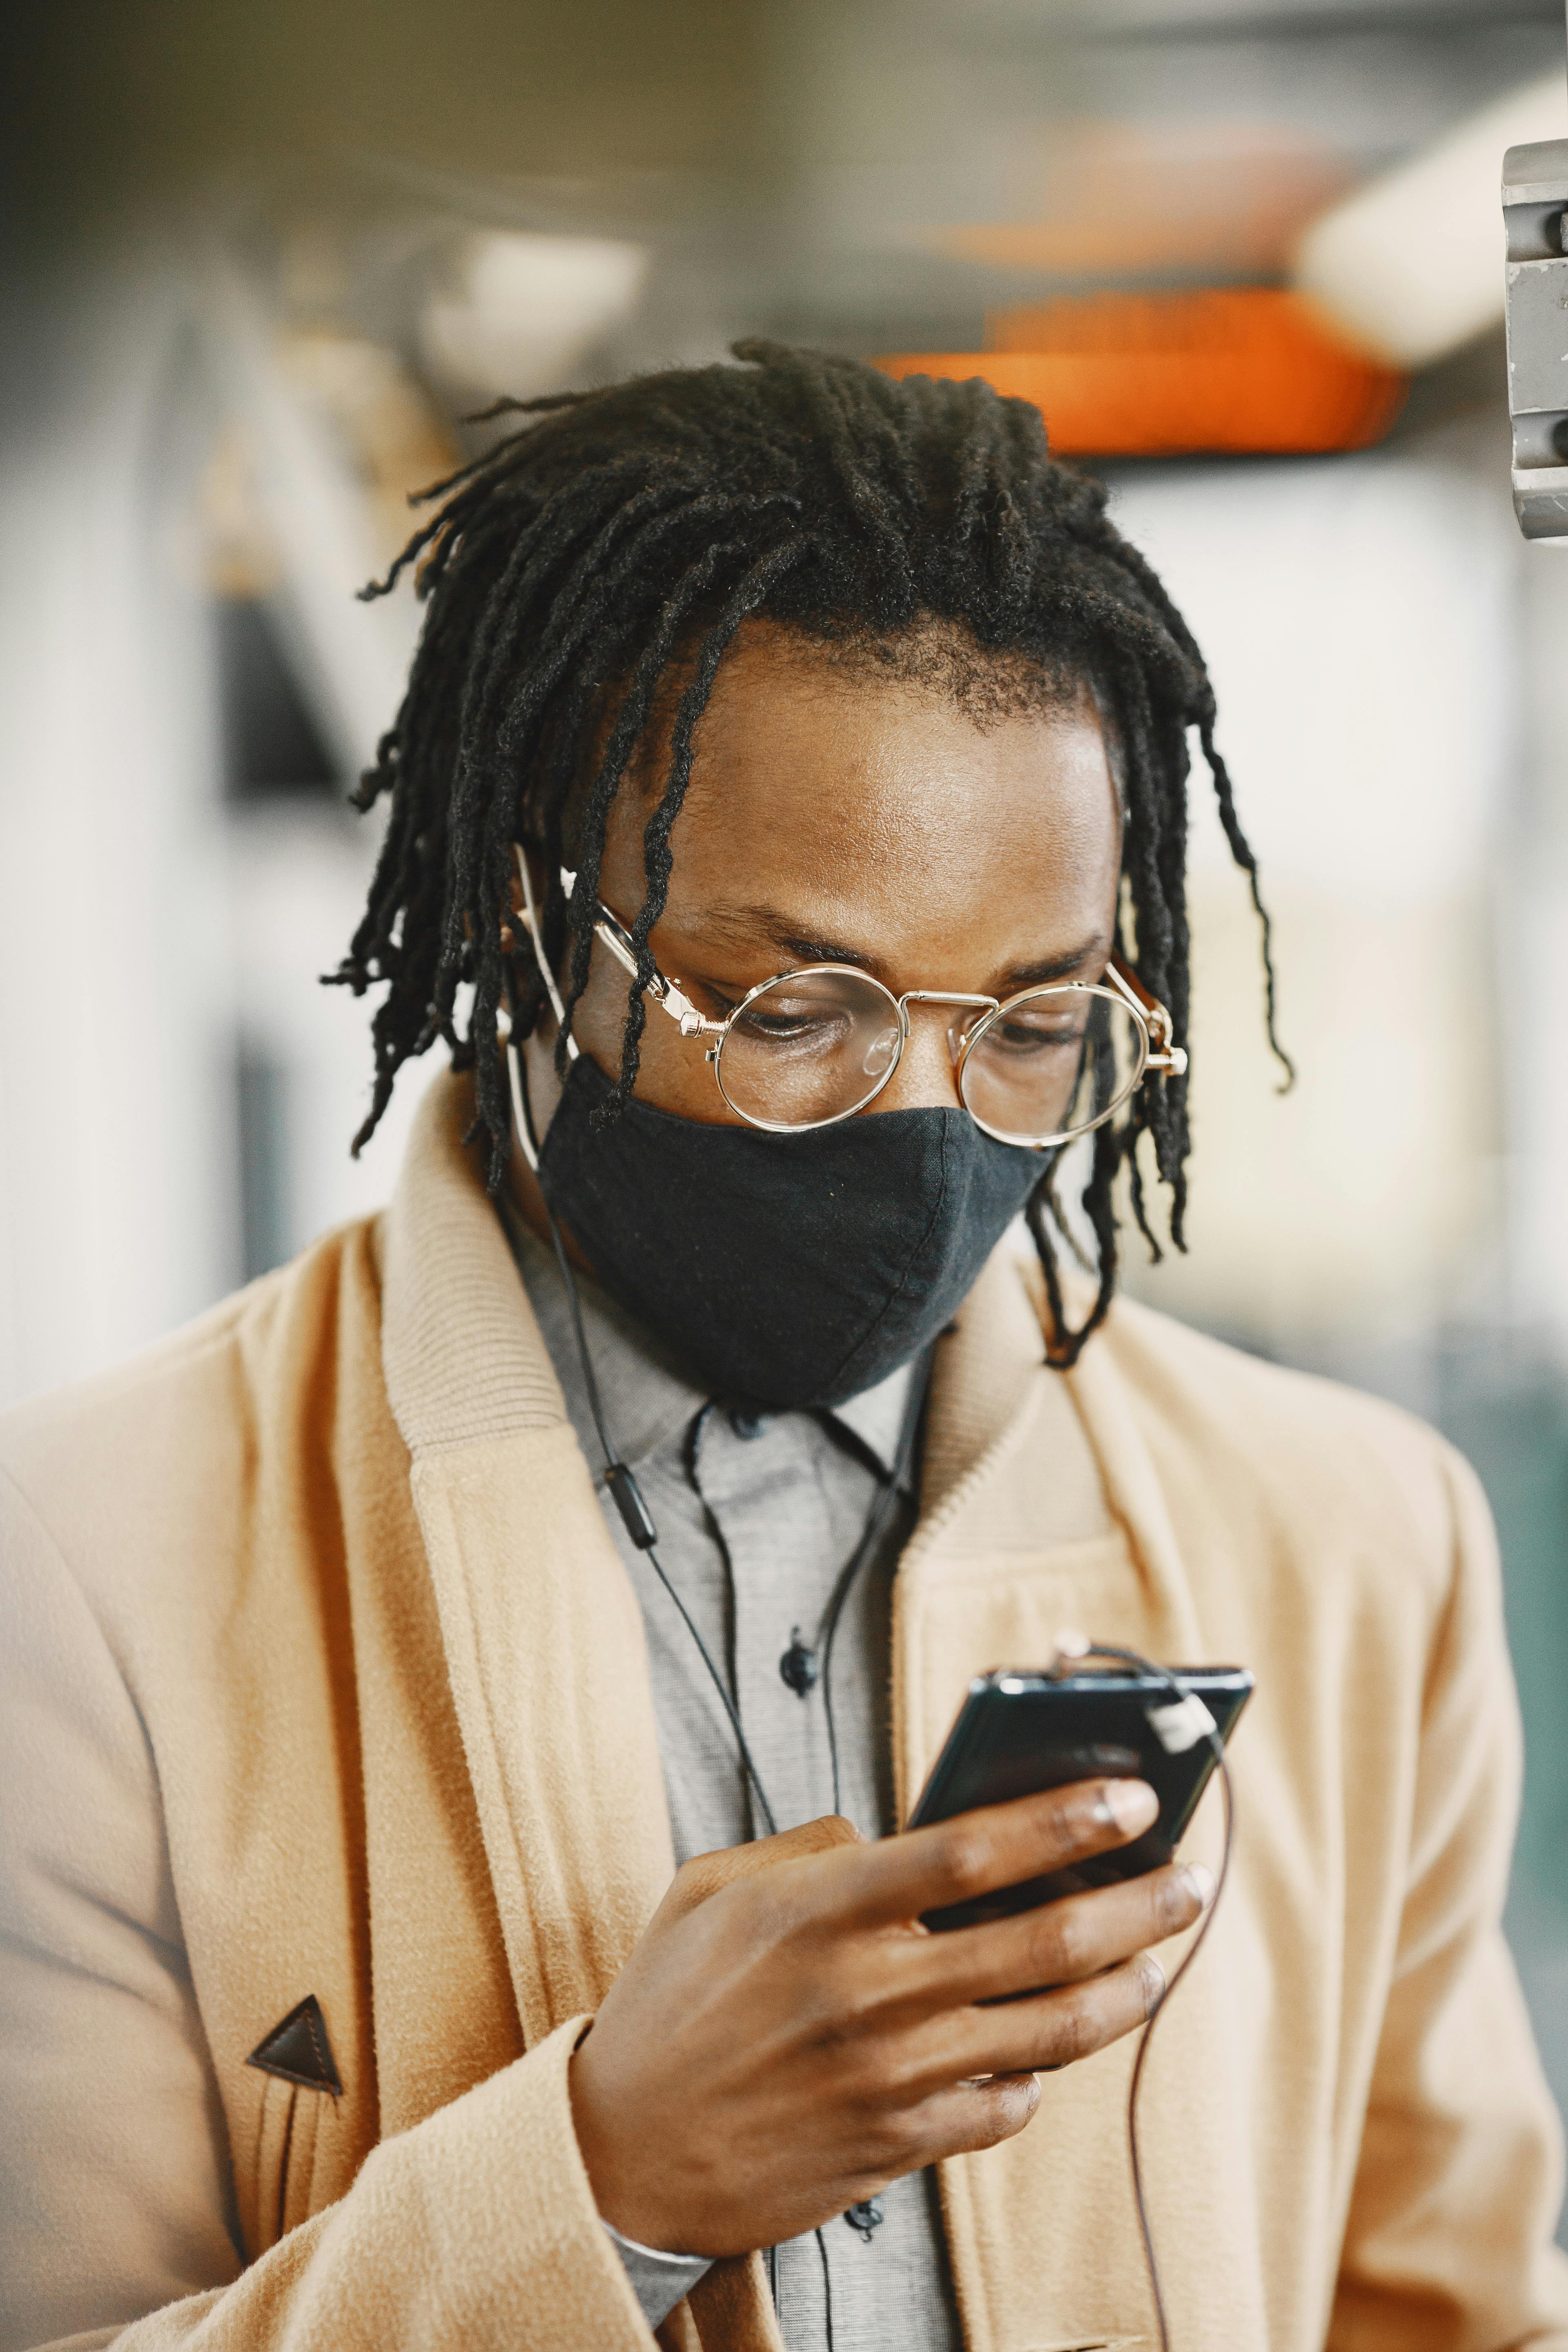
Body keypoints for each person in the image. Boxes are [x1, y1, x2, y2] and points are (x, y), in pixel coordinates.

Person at [1, 341, 1564, 2352]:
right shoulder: (82, 1581)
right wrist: (602, 2189)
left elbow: (1454, 2318)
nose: (924, 1132)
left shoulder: (1355, 1541)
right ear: (525, 931)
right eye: (794, 1012)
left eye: (1031, 1026)